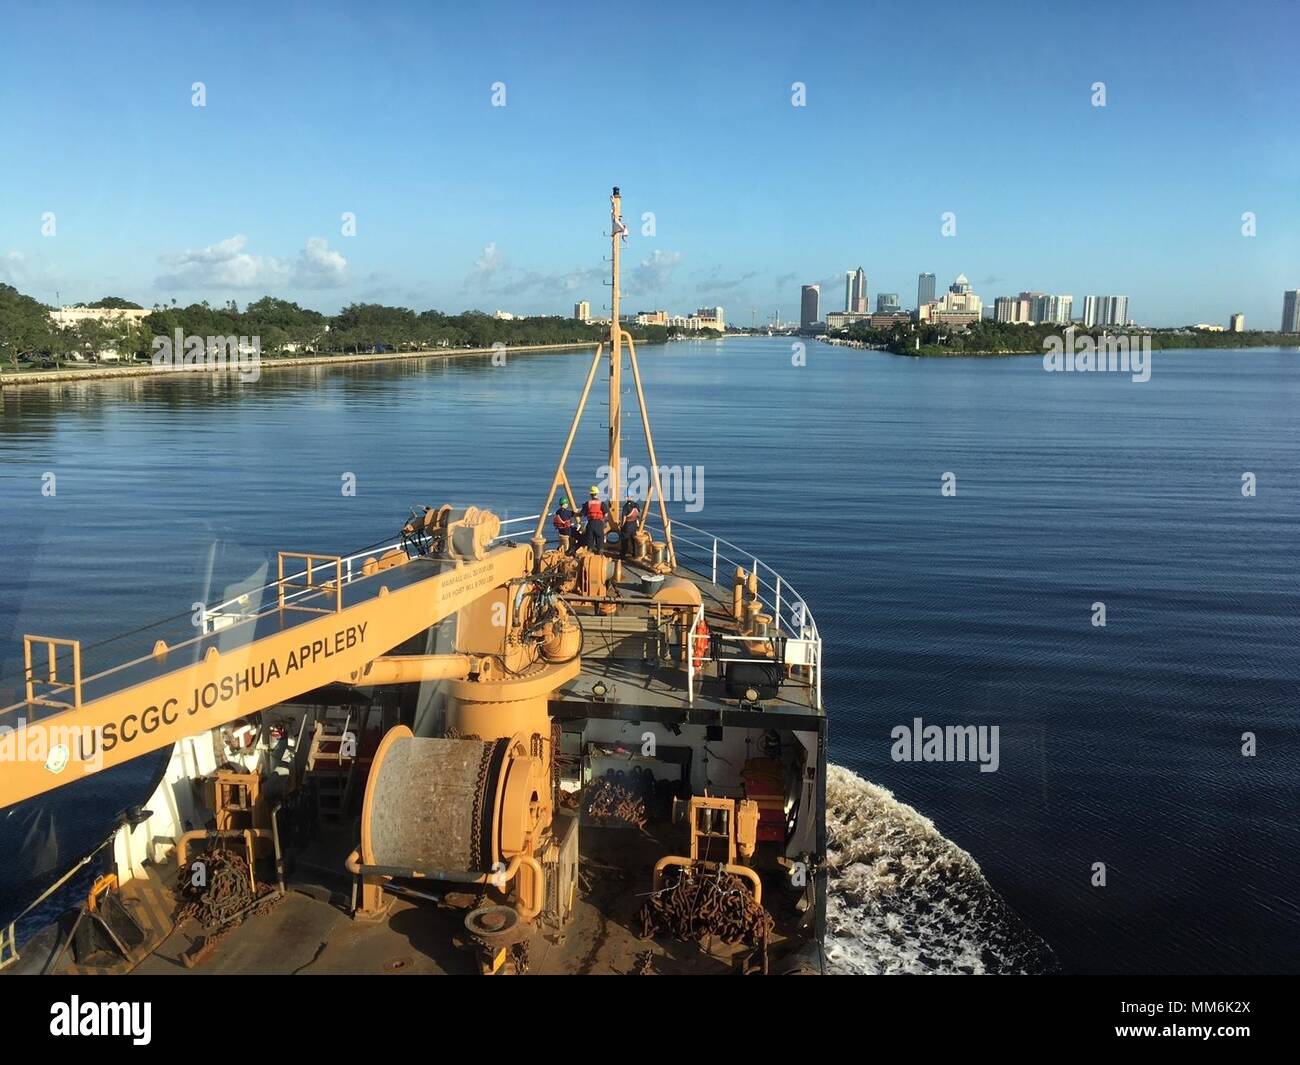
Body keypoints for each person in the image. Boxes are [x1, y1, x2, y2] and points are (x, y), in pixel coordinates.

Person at [583, 486, 608, 555]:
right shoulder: (602, 503)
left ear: (591, 494)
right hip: (599, 523)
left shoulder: (588, 503)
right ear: (597, 494)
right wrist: (604, 523)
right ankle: (600, 557)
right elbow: (606, 514)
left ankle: (588, 557)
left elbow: (582, 513)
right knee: (600, 542)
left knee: (590, 543)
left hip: (590, 523)